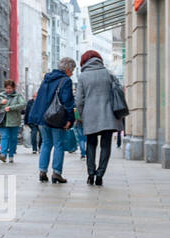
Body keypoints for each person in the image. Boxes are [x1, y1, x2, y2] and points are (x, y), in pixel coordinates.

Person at [76, 49, 123, 186]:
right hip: (108, 115)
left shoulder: (83, 76)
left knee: (91, 143)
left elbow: (79, 100)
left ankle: (91, 173)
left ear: (84, 61)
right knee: (106, 145)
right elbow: (119, 92)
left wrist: (79, 116)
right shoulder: (108, 74)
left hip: (90, 116)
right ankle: (100, 174)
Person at [27, 58, 77, 184]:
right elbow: (67, 101)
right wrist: (70, 119)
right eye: (72, 70)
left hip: (42, 118)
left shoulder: (47, 79)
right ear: (67, 69)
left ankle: (42, 172)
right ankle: (56, 173)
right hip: (56, 117)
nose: (72, 73)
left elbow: (40, 99)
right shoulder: (66, 81)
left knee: (46, 144)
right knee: (58, 144)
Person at [0, 79, 26, 164]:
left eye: (10, 88)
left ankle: (11, 155)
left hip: (14, 121)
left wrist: (11, 108)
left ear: (14, 88)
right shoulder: (1, 95)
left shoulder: (18, 96)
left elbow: (23, 104)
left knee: (13, 139)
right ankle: (3, 154)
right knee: (4, 137)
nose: (8, 90)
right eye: (7, 88)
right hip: (3, 120)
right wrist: (1, 103)